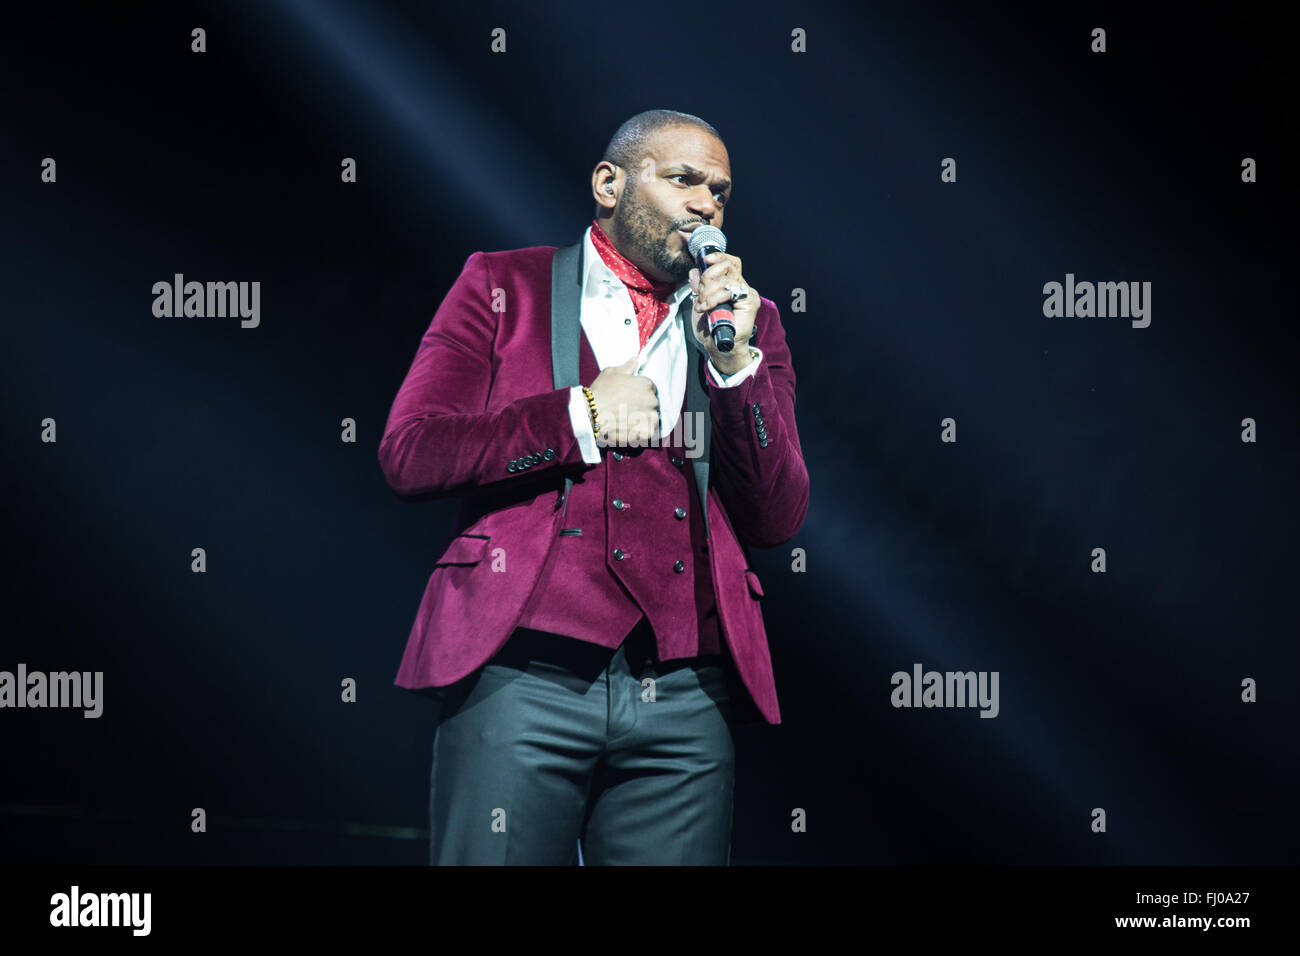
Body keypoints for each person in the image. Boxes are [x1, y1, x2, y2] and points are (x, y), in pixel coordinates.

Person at [378, 109, 809, 865]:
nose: (707, 203)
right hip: (524, 672)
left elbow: (776, 516)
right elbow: (412, 453)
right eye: (683, 179)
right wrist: (576, 416)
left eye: (720, 191)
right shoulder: (503, 284)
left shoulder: (749, 322)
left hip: (685, 691)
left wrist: (736, 368)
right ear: (609, 183)